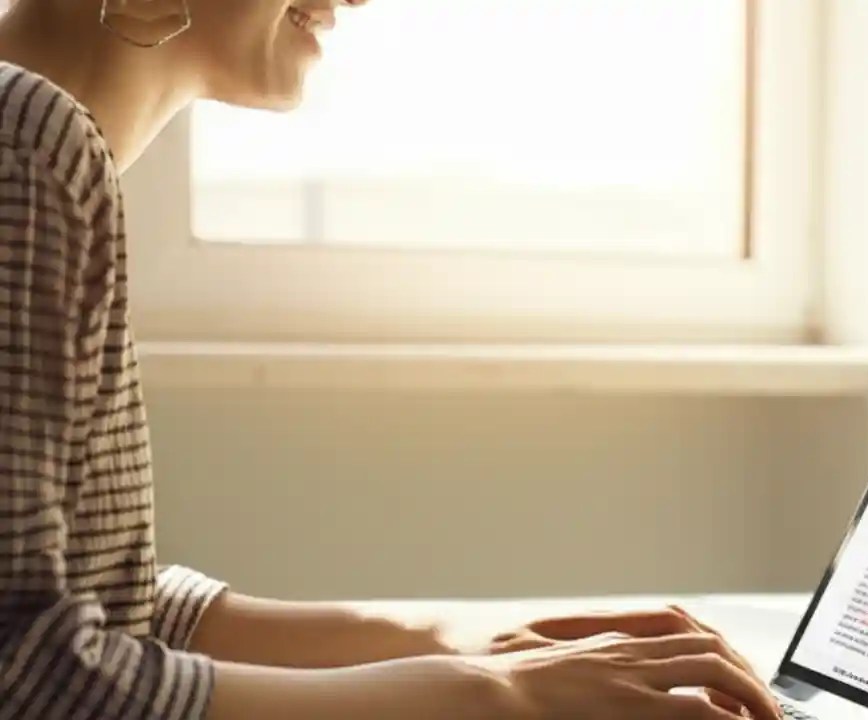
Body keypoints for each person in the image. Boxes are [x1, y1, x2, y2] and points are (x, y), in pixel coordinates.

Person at [0, 1, 783, 718]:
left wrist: (446, 641)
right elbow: (29, 674)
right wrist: (493, 698)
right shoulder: (26, 148)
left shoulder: (42, 150)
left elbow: (101, 605)